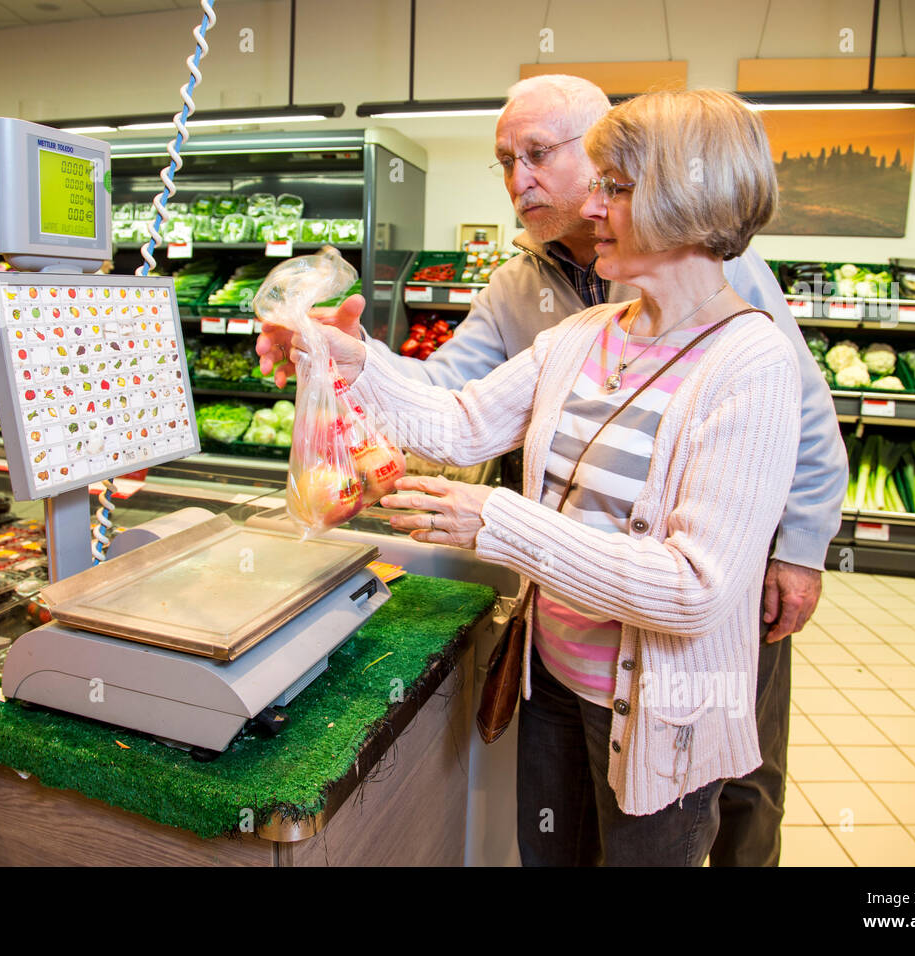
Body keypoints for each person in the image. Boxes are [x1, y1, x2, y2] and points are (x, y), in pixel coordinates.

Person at [258, 74, 845, 866]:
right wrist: (347, 358)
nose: (592, 206)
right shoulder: (581, 332)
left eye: (616, 188)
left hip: (661, 702)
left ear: (684, 200)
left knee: (697, 823)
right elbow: (460, 420)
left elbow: (696, 586)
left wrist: (497, 522)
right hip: (557, 680)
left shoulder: (748, 359)